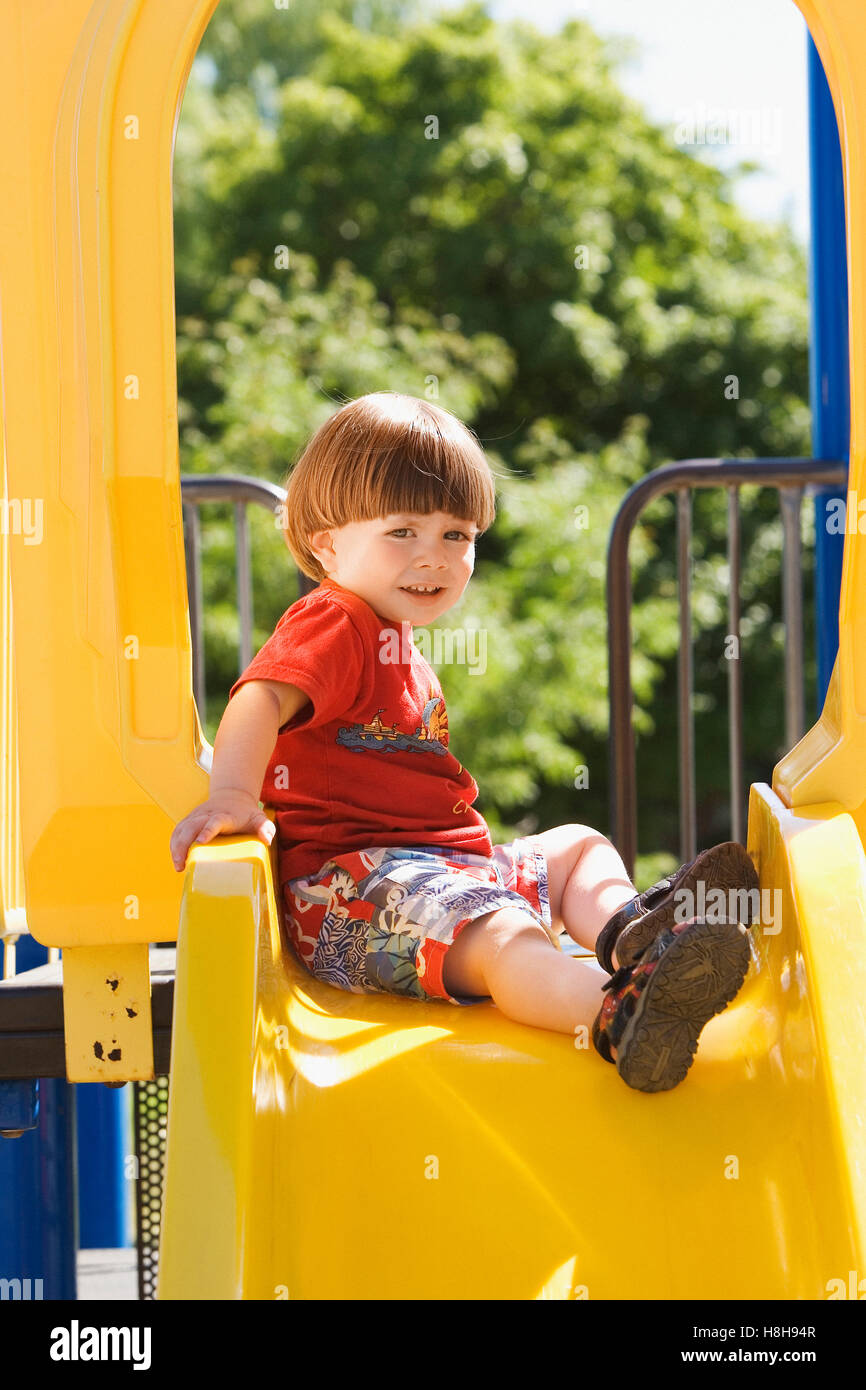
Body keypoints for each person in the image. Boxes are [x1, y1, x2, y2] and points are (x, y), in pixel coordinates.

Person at [170, 391, 757, 1093]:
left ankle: (631, 935)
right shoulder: (335, 622)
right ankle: (614, 1015)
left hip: (444, 871)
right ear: (326, 542)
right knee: (507, 937)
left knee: (576, 847)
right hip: (351, 891)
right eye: (403, 533)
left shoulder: (391, 635)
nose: (435, 556)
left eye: (457, 535)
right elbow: (258, 697)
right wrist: (234, 795)